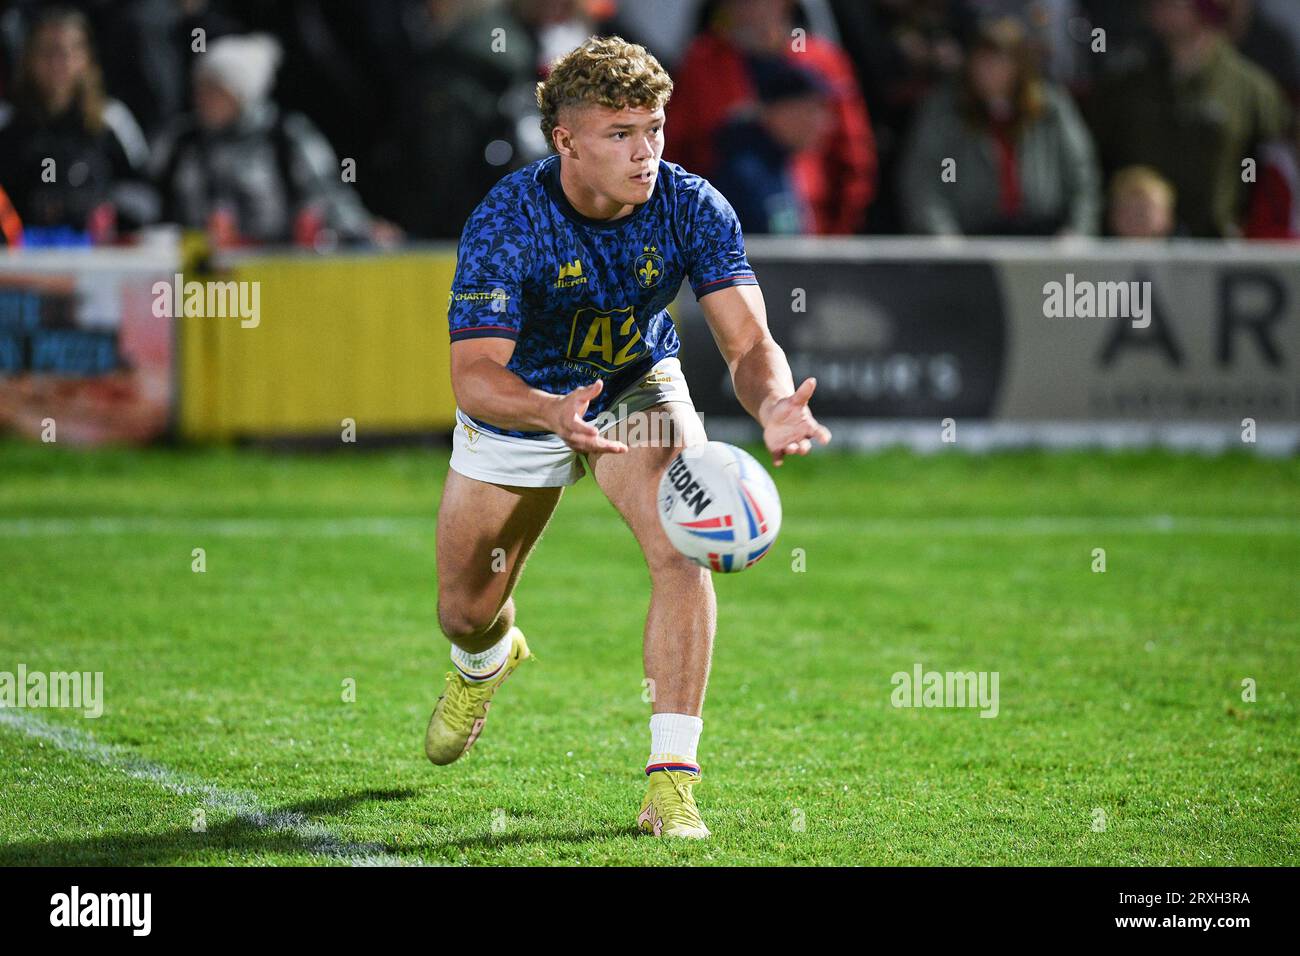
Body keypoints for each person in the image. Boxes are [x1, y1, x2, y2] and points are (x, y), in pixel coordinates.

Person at [427, 36, 830, 839]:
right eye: (620, 134)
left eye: (654, 128)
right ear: (565, 139)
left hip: (633, 385)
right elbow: (473, 373)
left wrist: (775, 403)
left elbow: (748, 345)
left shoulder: (691, 204)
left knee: (682, 541)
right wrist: (547, 412)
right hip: (526, 401)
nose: (645, 152)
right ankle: (487, 657)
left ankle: (672, 785)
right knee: (463, 610)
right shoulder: (509, 219)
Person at [151, 33, 393, 247]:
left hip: (274, 268)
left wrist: (361, 230)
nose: (203, 99)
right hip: (196, 271)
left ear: (241, 94)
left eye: (215, 90)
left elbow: (326, 194)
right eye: (200, 88)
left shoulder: (285, 137)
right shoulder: (181, 140)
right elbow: (150, 195)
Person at [1089, 0, 1289, 237]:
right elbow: (1095, 164)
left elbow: (1276, 174)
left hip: (1221, 246)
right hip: (1138, 245)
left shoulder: (1251, 91)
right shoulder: (1125, 86)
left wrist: (1247, 222)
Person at [899, 16, 1101, 236]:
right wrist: (945, 240)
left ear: (1020, 67)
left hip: (1045, 239)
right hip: (971, 238)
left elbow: (1083, 175)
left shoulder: (1050, 108)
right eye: (983, 62)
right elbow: (923, 179)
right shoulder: (945, 110)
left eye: (1000, 62)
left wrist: (1077, 233)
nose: (989, 72)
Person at [0, 6, 151, 243]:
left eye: (69, 51)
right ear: (29, 57)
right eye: (48, 51)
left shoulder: (111, 119)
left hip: (97, 264)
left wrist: (111, 214)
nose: (58, 62)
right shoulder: (6, 122)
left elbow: (145, 196)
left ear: (86, 57)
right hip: (18, 264)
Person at [1107, 165, 1178, 238]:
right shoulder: (1098, 246)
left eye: (1145, 209)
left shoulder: (1185, 247)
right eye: (1128, 209)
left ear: (1168, 215)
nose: (1136, 217)